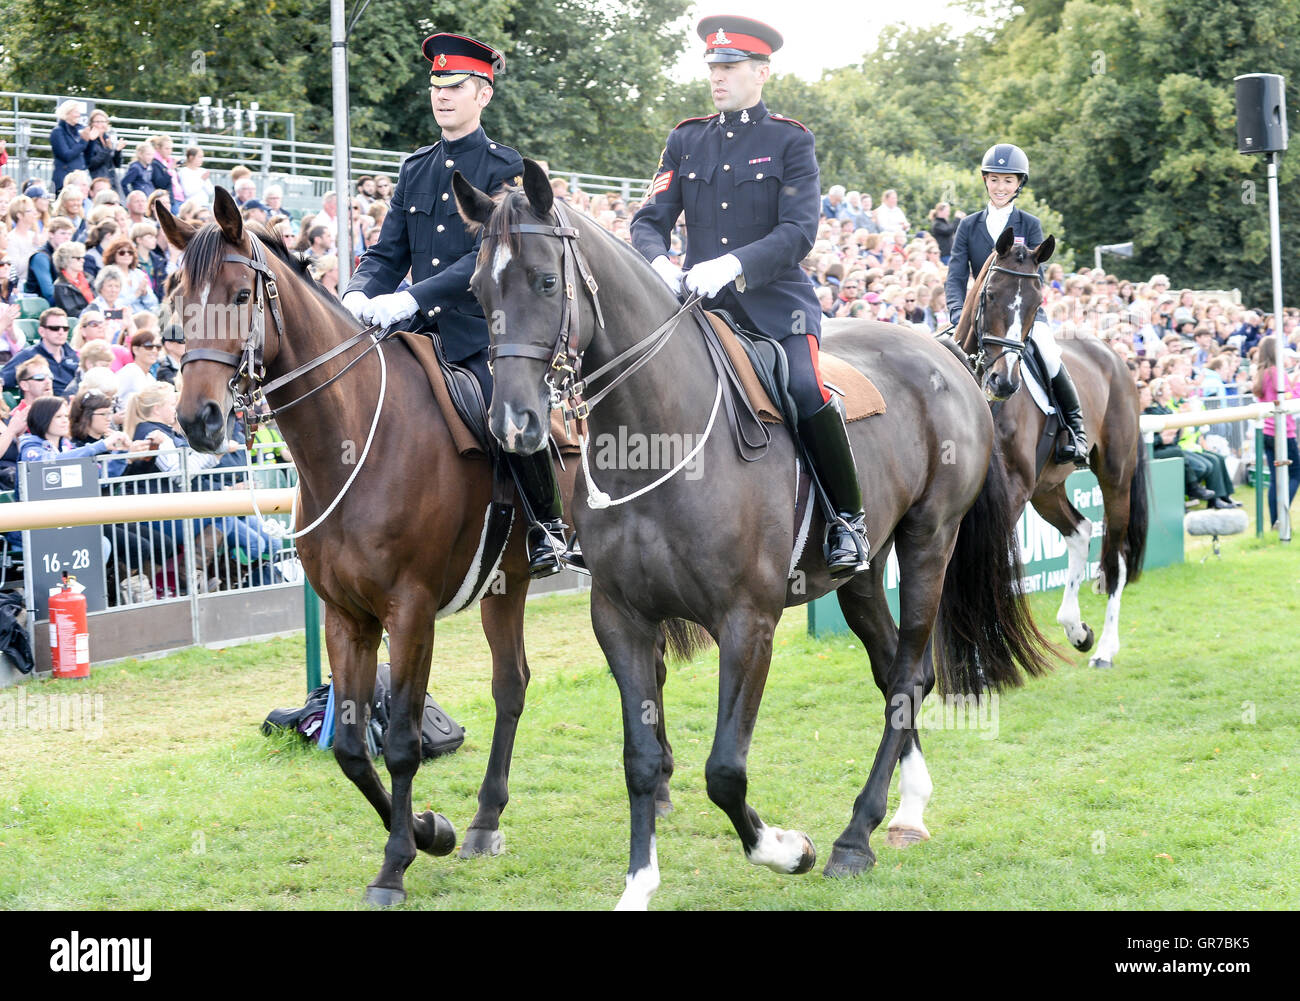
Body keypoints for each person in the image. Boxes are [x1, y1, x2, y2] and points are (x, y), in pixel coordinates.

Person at [630, 15, 868, 578]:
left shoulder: (789, 139)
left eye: (730, 67)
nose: (717, 76)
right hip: (697, 307)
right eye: (713, 67)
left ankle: (847, 520)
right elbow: (648, 220)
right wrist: (660, 262)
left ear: (761, 72)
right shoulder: (685, 139)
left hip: (774, 304)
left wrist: (734, 264)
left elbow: (798, 232)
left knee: (807, 388)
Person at [342, 32, 574, 579]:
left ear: (483, 95)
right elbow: (387, 252)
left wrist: (409, 298)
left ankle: (548, 529)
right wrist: (357, 291)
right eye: (436, 85)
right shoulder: (414, 168)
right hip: (415, 333)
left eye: (456, 85)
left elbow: (483, 257)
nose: (442, 95)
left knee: (512, 410)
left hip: (481, 331)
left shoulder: (506, 169)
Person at [945, 142, 1089, 466]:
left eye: (1008, 181)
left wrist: (1029, 315)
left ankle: (1074, 430)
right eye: (995, 179)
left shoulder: (1030, 224)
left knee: (1050, 355)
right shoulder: (968, 226)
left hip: (1023, 315)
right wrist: (958, 313)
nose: (1000, 187)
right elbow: (955, 277)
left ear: (1018, 184)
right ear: (986, 181)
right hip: (980, 314)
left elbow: (1034, 279)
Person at [1253, 336, 1298, 529]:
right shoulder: (1275, 373)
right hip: (1282, 431)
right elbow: (1290, 397)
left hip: (1268, 431)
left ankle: (1275, 521)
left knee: (1275, 478)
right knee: (1295, 473)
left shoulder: (1261, 373)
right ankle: (1281, 514)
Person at [1, 308, 79, 395]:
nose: (61, 332)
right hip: (43, 405)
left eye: (65, 328)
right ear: (42, 331)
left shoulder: (74, 356)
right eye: (55, 328)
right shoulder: (27, 356)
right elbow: (3, 379)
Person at [50, 241, 94, 318]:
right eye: (78, 258)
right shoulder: (60, 286)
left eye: (83, 257)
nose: (83, 260)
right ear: (66, 260)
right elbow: (72, 313)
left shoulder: (89, 278)